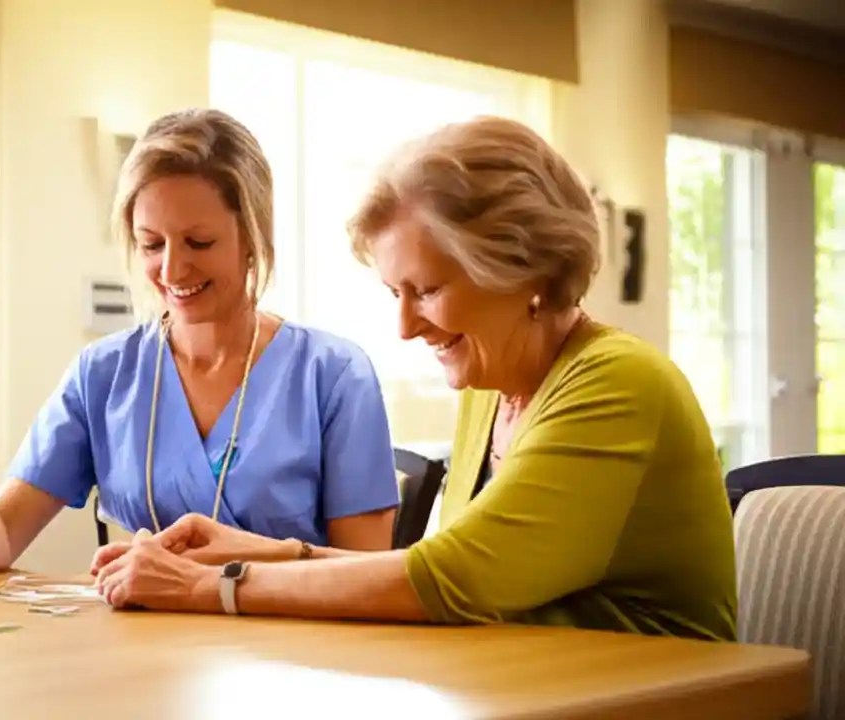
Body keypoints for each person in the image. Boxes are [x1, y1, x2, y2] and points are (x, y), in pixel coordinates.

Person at [92, 116, 738, 641]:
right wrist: (257, 552)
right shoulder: (490, 389)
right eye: (395, 293)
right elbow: (428, 574)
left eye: (426, 290)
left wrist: (208, 585)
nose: (405, 327)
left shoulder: (618, 384)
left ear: (525, 269)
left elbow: (447, 582)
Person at [0, 108, 400, 585]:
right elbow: (6, 529)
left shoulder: (333, 376)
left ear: (252, 237)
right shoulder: (105, 374)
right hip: (141, 648)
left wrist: (245, 566)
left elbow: (365, 573)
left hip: (291, 651)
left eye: (199, 241)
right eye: (152, 245)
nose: (172, 271)